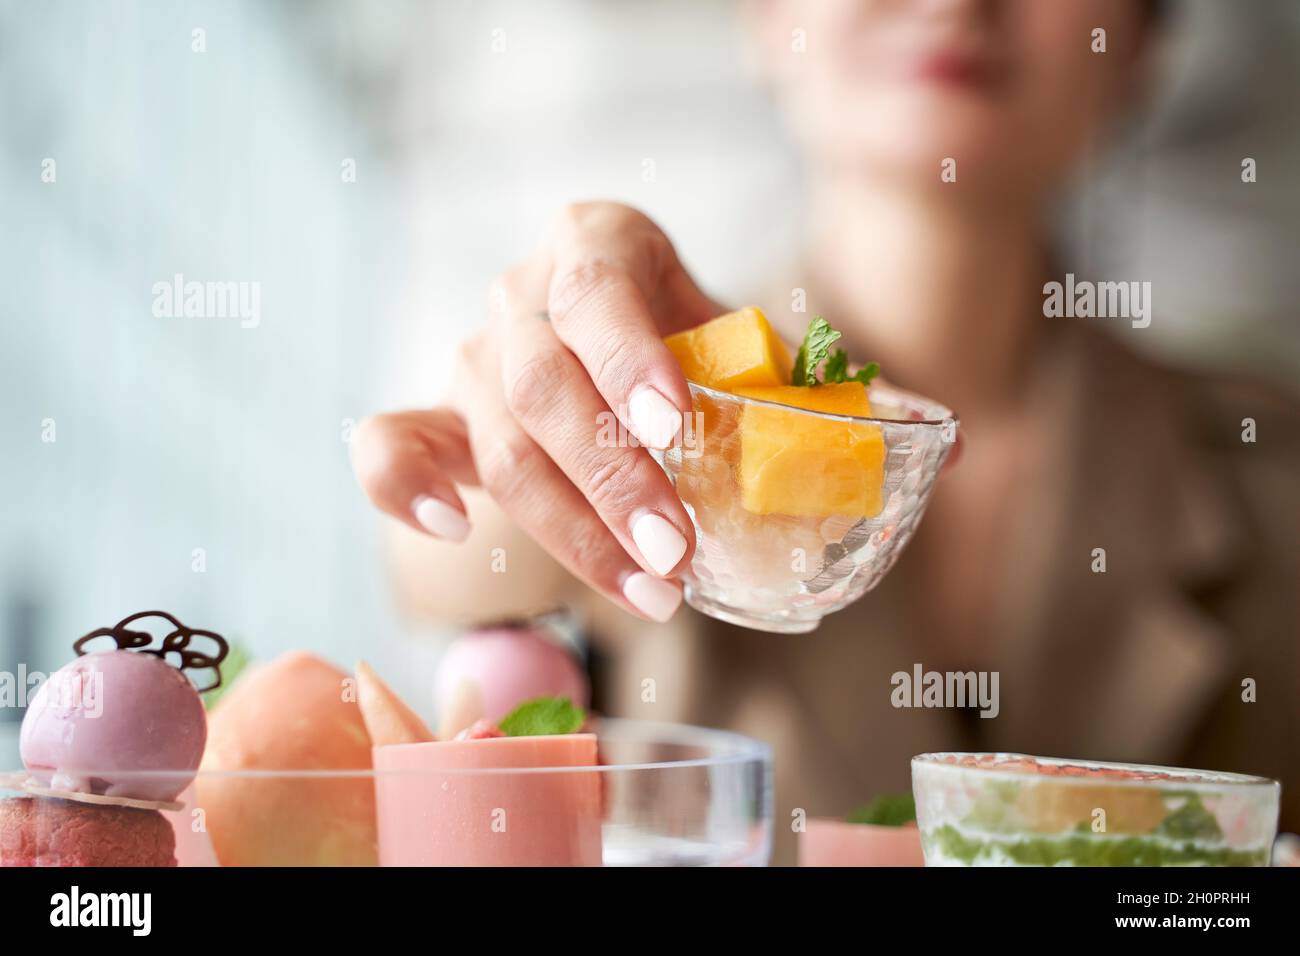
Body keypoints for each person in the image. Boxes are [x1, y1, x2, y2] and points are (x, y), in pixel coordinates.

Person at [351, 0, 1300, 863]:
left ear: (1139, 43)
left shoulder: (1277, 463)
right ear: (764, 18)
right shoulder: (641, 399)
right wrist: (514, 415)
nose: (956, 5)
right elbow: (451, 563)